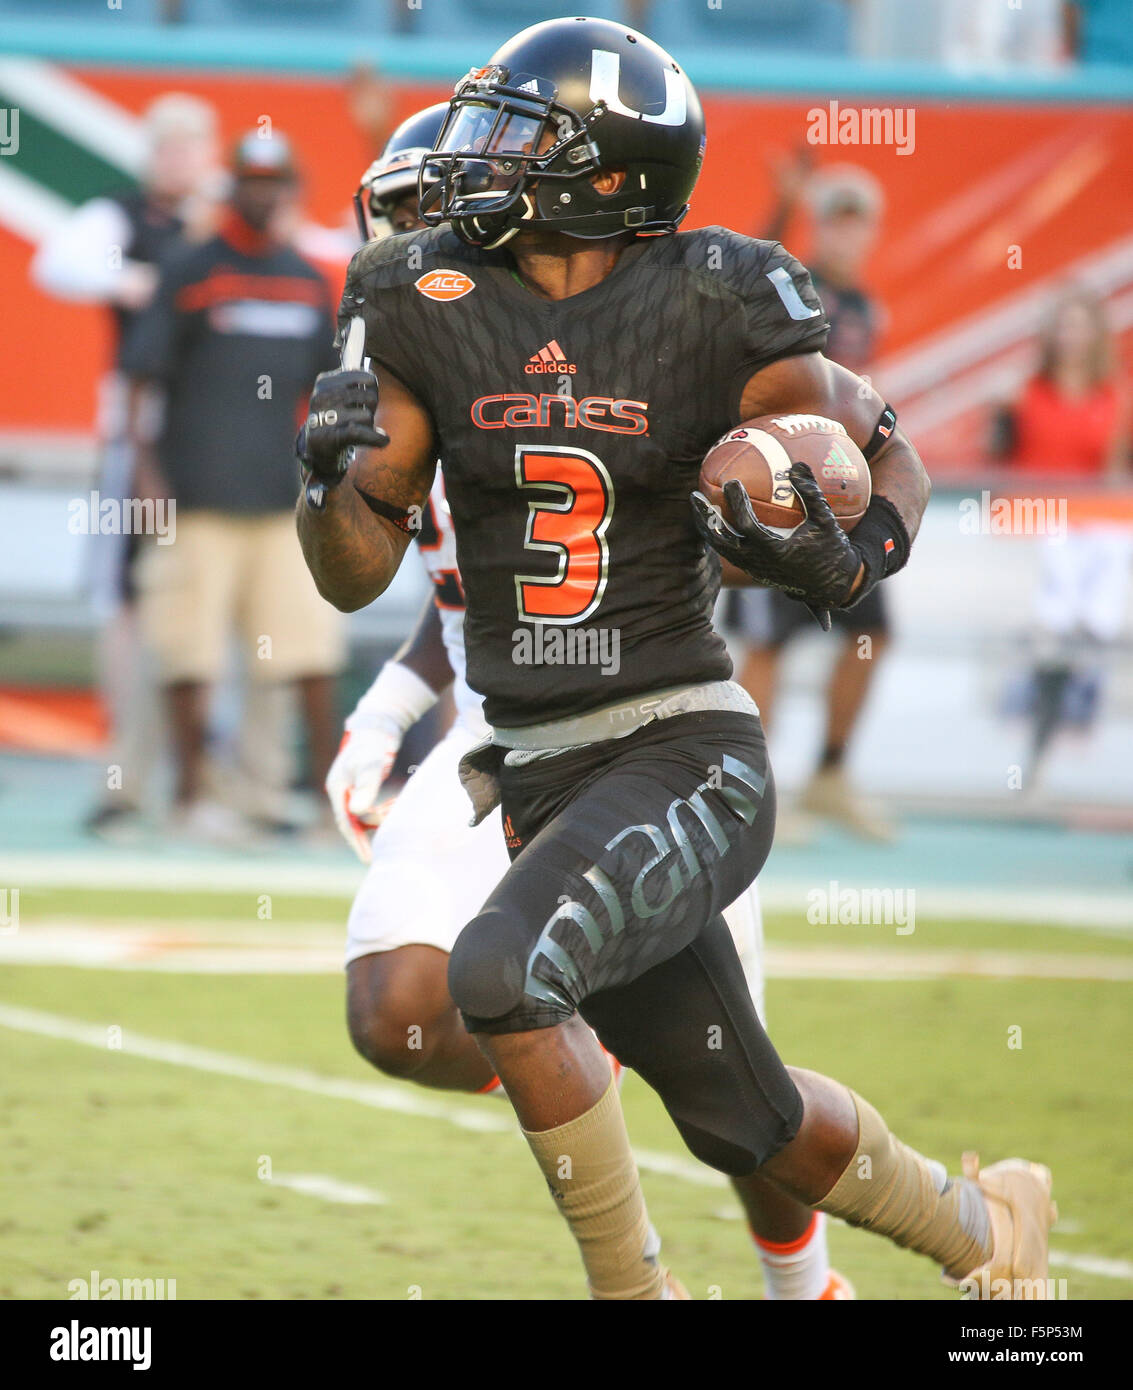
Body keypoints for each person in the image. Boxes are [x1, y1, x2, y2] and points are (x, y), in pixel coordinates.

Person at [298, 18, 1053, 1300]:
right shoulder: (416, 300)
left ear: (605, 172)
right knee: (742, 1117)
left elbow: (884, 451)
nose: (480, 155)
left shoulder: (715, 292)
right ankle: (991, 1235)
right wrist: (325, 483)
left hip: (682, 746)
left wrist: (852, 555)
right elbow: (357, 570)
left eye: (519, 133)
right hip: (534, 762)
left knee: (496, 970)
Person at [326, 105, 852, 1300]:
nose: (408, 235)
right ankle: (576, 1059)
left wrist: (851, 544)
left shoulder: (630, 318)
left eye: (427, 205)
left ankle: (809, 1278)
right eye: (397, 212)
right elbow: (463, 586)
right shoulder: (412, 345)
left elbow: (852, 433)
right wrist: (385, 713)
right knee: (399, 1001)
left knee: (734, 1097)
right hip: (496, 728)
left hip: (660, 726)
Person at [121, 130, 345, 843]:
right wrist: (147, 478)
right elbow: (140, 380)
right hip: (194, 495)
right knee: (188, 652)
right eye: (251, 178)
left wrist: (325, 479)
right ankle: (192, 796)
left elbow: (326, 390)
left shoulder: (306, 279)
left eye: (274, 180)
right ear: (233, 187)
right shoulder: (192, 269)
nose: (262, 191)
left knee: (302, 653)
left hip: (278, 499)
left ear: (289, 189)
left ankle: (299, 796)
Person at [32, 93, 220, 838]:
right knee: (125, 602)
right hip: (139, 436)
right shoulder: (123, 219)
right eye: (166, 147)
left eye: (190, 146)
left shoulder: (221, 226)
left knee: (210, 605)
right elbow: (60, 264)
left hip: (215, 443)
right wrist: (135, 282)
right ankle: (125, 774)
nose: (177, 161)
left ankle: (205, 776)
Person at [731, 160, 894, 842]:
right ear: (815, 224)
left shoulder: (864, 308)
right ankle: (754, 790)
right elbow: (738, 285)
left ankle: (829, 772)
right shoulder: (787, 287)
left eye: (857, 224)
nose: (846, 237)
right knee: (765, 641)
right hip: (776, 485)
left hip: (837, 492)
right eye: (834, 220)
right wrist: (777, 207)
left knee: (870, 627)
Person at [990, 286, 1132, 779]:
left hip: (1089, 522)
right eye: (1064, 326)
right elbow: (1001, 462)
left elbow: (1113, 475)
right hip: (1034, 517)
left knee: (1110, 548)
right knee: (1057, 557)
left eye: (1080, 326)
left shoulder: (1114, 398)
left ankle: (1083, 654)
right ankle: (1058, 662)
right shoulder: (1024, 391)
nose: (1071, 337)